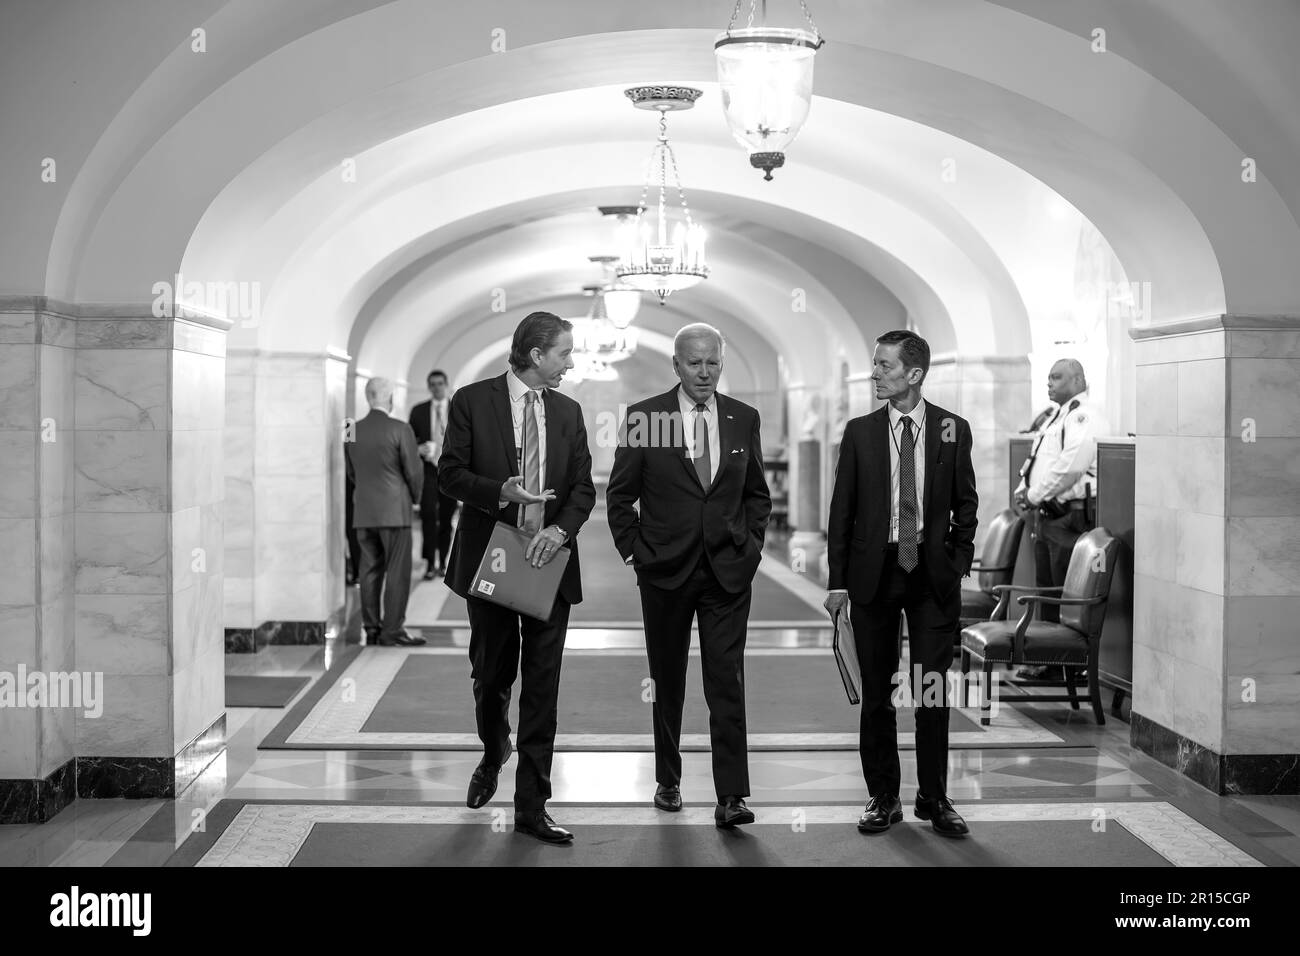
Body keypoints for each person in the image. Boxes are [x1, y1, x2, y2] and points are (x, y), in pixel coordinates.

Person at [606, 323, 772, 829]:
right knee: (668, 681)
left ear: (722, 364)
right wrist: (636, 552)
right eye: (694, 363)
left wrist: (751, 549)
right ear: (676, 365)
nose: (704, 372)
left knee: (727, 682)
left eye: (712, 363)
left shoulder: (743, 418)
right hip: (664, 571)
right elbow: (618, 496)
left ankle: (732, 796)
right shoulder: (645, 417)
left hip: (727, 573)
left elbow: (757, 496)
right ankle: (668, 780)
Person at [438, 311, 595, 845]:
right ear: (535, 354)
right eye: (563, 354)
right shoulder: (471, 401)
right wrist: (499, 492)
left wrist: (562, 532)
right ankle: (492, 749)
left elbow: (583, 490)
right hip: (492, 558)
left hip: (547, 561)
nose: (570, 363)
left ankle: (532, 806)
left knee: (543, 686)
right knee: (491, 676)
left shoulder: (569, 412)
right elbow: (449, 474)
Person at [824, 330, 978, 838]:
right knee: (880, 691)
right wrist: (837, 582)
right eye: (875, 365)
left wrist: (956, 562)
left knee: (931, 691)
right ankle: (883, 795)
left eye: (884, 366)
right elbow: (841, 510)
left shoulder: (953, 430)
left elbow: (966, 506)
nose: (875, 373)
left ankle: (934, 796)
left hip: (932, 577)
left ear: (914, 374)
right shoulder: (860, 432)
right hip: (875, 573)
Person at [1013, 358, 1108, 677]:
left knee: (1065, 594)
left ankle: (1063, 665)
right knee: (1047, 590)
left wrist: (1035, 494)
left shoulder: (1083, 414)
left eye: (1057, 377)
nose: (1049, 383)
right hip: (1048, 516)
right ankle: (1046, 658)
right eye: (1049, 377)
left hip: (1068, 517)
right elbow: (1038, 458)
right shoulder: (1057, 415)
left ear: (1079, 379)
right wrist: (1023, 489)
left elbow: (1072, 466)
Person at [345, 377, 427, 647]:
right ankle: (392, 630)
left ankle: (371, 629)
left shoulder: (351, 430)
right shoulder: (400, 428)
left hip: (363, 511)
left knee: (368, 571)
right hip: (395, 512)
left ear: (368, 397)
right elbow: (413, 471)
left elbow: (351, 473)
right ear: (389, 398)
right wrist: (416, 499)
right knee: (397, 572)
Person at [409, 369, 458, 580]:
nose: (437, 387)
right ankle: (429, 562)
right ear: (429, 387)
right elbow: (409, 440)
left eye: (440, 383)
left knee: (446, 518)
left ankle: (443, 561)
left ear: (446, 385)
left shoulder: (457, 408)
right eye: (433, 384)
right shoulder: (419, 410)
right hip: (428, 471)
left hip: (451, 471)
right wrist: (419, 448)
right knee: (428, 516)